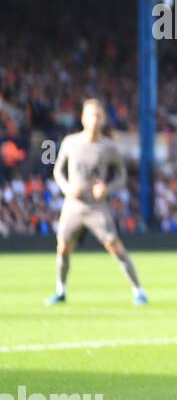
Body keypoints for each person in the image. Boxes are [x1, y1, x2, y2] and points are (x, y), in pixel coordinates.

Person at [46, 99, 148, 306]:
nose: (95, 120)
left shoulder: (109, 147)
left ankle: (138, 291)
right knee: (63, 247)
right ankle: (60, 290)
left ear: (103, 120)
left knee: (114, 245)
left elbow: (121, 175)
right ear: (83, 118)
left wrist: (107, 189)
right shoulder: (70, 142)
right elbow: (57, 171)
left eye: (98, 116)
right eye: (91, 115)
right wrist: (66, 188)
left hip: (96, 206)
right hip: (73, 205)